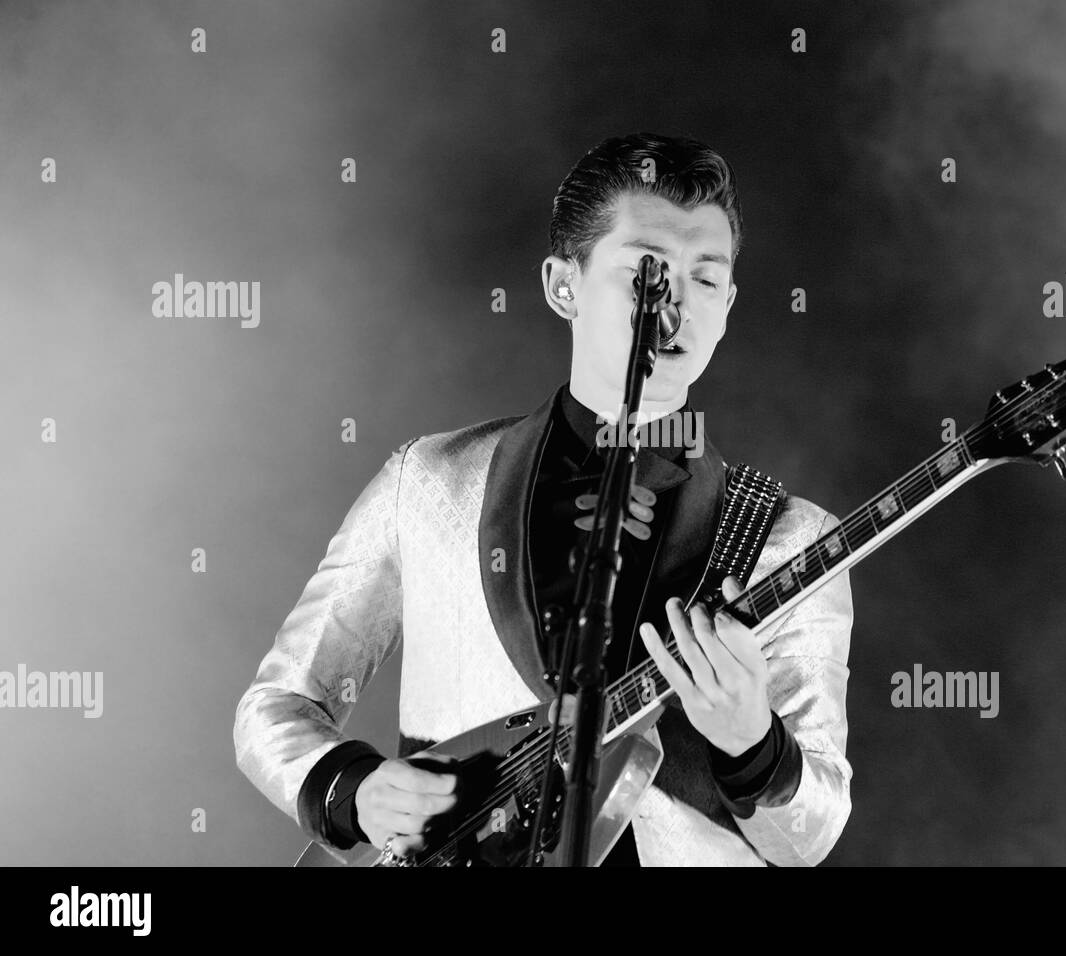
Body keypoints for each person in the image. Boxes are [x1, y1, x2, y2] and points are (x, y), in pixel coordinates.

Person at [233, 132, 854, 866]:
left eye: (706, 279)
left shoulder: (790, 536)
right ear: (564, 286)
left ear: (728, 306)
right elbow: (275, 706)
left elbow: (811, 835)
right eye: (647, 273)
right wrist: (353, 792)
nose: (675, 305)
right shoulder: (430, 480)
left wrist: (754, 744)